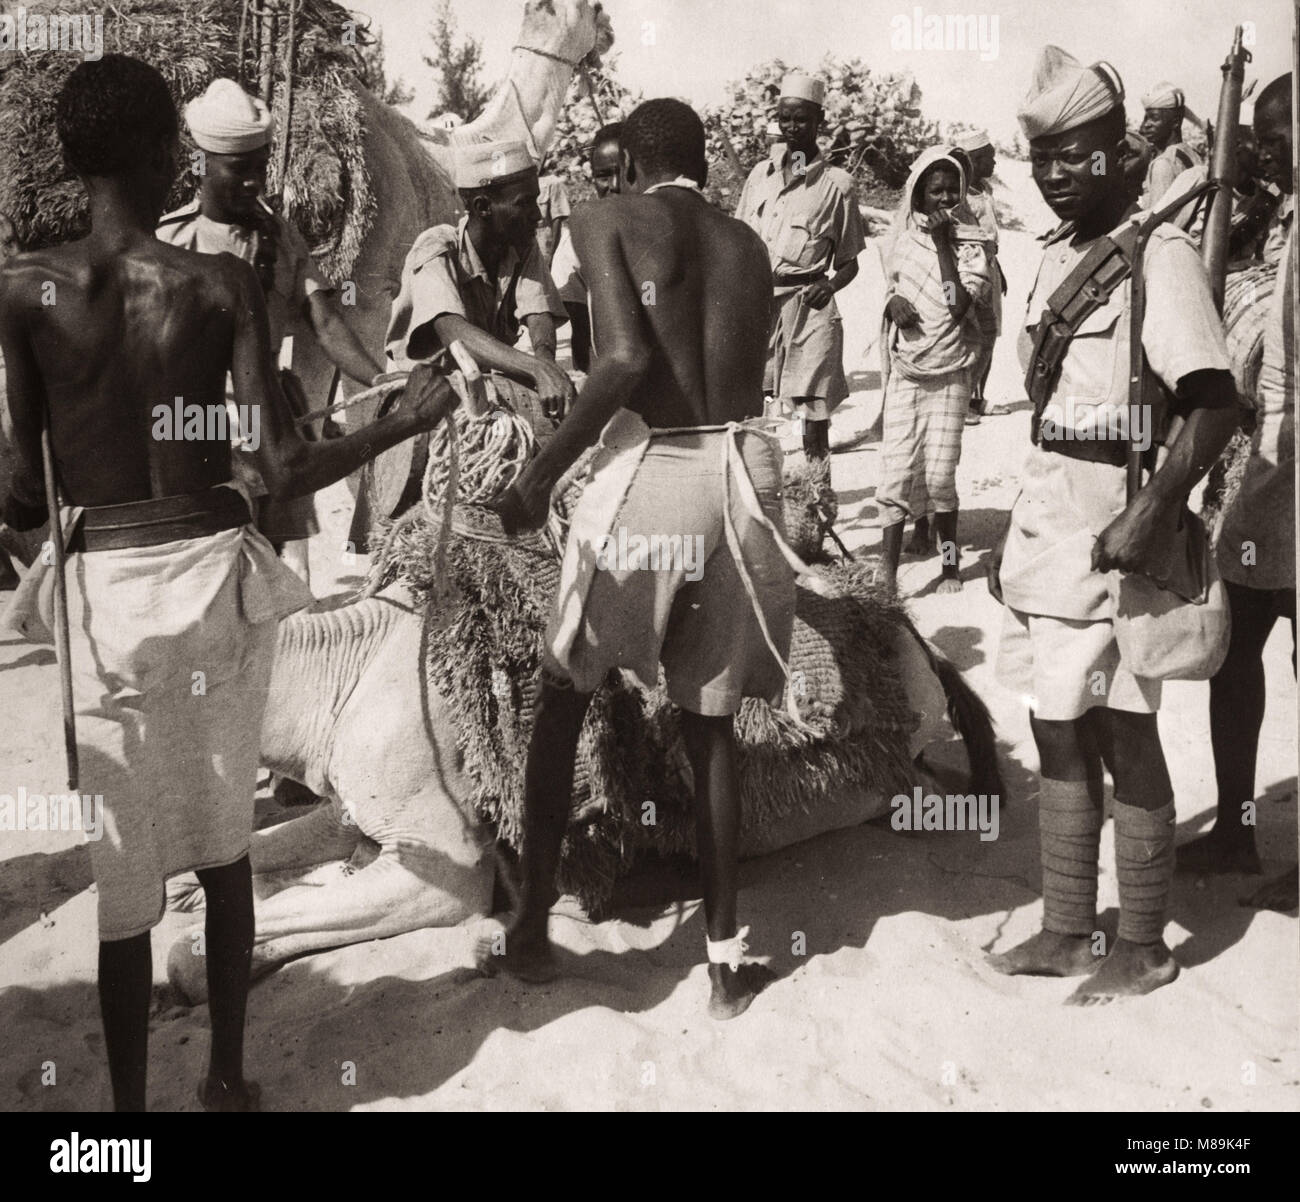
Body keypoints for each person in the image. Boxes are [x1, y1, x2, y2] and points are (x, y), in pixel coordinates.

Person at [0, 55, 453, 1110]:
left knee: (122, 880)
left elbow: (21, 490)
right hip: (211, 582)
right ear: (169, 151)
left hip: (104, 601)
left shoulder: (23, 289)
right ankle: (225, 1074)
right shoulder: (218, 285)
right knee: (222, 848)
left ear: (72, 160)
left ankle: (124, 1116)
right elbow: (277, 471)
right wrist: (403, 418)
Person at [490, 97, 805, 1020]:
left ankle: (530, 932)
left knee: (563, 690)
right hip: (747, 469)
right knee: (710, 723)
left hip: (659, 467)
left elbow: (624, 359)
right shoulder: (746, 241)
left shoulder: (605, 216)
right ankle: (723, 963)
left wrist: (540, 478)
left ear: (626, 161)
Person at [985, 48, 1244, 1002]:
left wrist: (1157, 506)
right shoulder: (1058, 252)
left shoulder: (1158, 254)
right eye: (1039, 154)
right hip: (1053, 516)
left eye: (1072, 151)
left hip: (1120, 523)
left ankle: (1141, 942)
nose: (1054, 171)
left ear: (1117, 147)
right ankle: (1064, 928)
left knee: (1125, 728)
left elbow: (1215, 403)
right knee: (1056, 722)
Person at [156, 78, 386, 590]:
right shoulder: (173, 241)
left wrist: (384, 382)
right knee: (214, 566)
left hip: (273, 418)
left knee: (287, 572)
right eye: (240, 169)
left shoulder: (280, 238)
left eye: (260, 166)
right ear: (203, 165)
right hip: (201, 425)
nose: (254, 181)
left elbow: (325, 323)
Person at [1180, 73, 1297, 912]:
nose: (1268, 146)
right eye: (1259, 131)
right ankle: (1236, 827)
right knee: (1235, 652)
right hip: (1264, 471)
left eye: (1282, 130)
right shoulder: (1273, 215)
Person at [876, 148, 992, 595]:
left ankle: (948, 566)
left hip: (950, 374)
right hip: (908, 371)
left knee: (940, 476)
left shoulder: (972, 245)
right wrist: (892, 302)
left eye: (952, 190)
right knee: (896, 473)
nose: (944, 197)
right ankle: (886, 574)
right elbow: (893, 285)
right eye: (935, 189)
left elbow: (957, 302)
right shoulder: (901, 239)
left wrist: (945, 243)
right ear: (920, 192)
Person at [735, 72, 866, 467]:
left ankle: (817, 500)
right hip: (758, 304)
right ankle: (755, 490)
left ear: (820, 122)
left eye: (802, 119)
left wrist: (830, 285)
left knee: (812, 414)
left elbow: (850, 262)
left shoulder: (837, 185)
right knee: (749, 408)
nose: (792, 128)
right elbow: (740, 241)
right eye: (785, 119)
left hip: (809, 310)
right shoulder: (760, 176)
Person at [551, 123, 623, 373]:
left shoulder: (663, 231)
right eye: (603, 176)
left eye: (623, 172)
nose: (614, 185)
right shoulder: (576, 244)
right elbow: (581, 334)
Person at [953, 130, 1006, 426]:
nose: (995, 162)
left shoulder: (985, 189)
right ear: (973, 161)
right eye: (989, 157)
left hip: (991, 268)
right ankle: (960, 403)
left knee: (990, 333)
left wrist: (1000, 272)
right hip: (972, 271)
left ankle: (976, 397)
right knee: (972, 334)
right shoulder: (960, 196)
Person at [1139, 81, 1203, 209]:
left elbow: (1155, 221)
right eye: (1146, 118)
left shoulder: (1163, 163)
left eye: (1154, 118)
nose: (1146, 124)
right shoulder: (1191, 154)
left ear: (1175, 122)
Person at [535, 169, 572, 270]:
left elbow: (558, 218)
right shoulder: (523, 181)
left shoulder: (553, 182)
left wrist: (552, 254)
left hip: (545, 243)